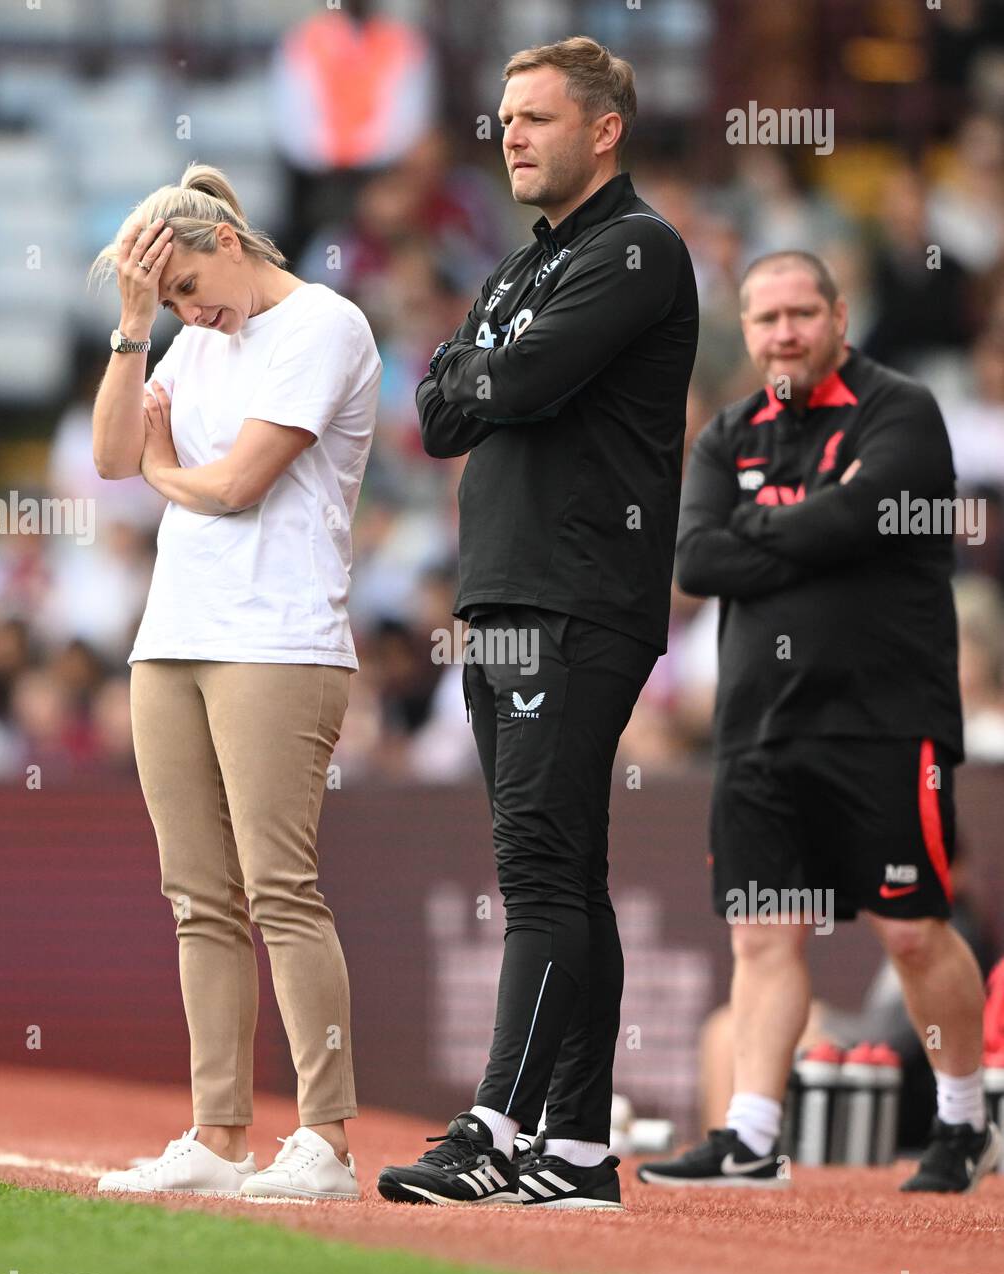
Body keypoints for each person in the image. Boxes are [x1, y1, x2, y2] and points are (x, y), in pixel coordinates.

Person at [377, 37, 698, 1209]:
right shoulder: (520, 270)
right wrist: (481, 373)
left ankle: (494, 1127)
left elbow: (504, 386)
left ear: (604, 129)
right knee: (567, 872)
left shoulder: (638, 250)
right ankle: (572, 1149)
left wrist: (483, 374)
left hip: (577, 593)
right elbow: (433, 409)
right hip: (505, 593)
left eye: (535, 117)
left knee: (539, 871)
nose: (508, 135)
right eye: (503, 117)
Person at [638, 250, 1002, 1194]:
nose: (784, 333)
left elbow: (866, 517)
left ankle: (963, 1121)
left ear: (840, 318)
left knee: (912, 929)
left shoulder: (898, 409)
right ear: (748, 332)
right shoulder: (726, 434)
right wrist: (810, 530)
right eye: (765, 319)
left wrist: (763, 534)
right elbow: (698, 563)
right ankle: (752, 1137)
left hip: (886, 721)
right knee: (762, 934)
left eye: (802, 313)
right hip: (759, 728)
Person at [86, 162, 381, 1201]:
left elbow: (235, 484)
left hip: (280, 637)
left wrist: (169, 473)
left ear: (223, 244)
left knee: (280, 888)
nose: (184, 314)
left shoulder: (325, 325)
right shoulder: (196, 339)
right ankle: (218, 1133)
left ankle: (328, 1138)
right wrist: (133, 330)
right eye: (165, 304)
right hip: (174, 635)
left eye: (178, 291)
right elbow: (113, 453)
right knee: (198, 899)